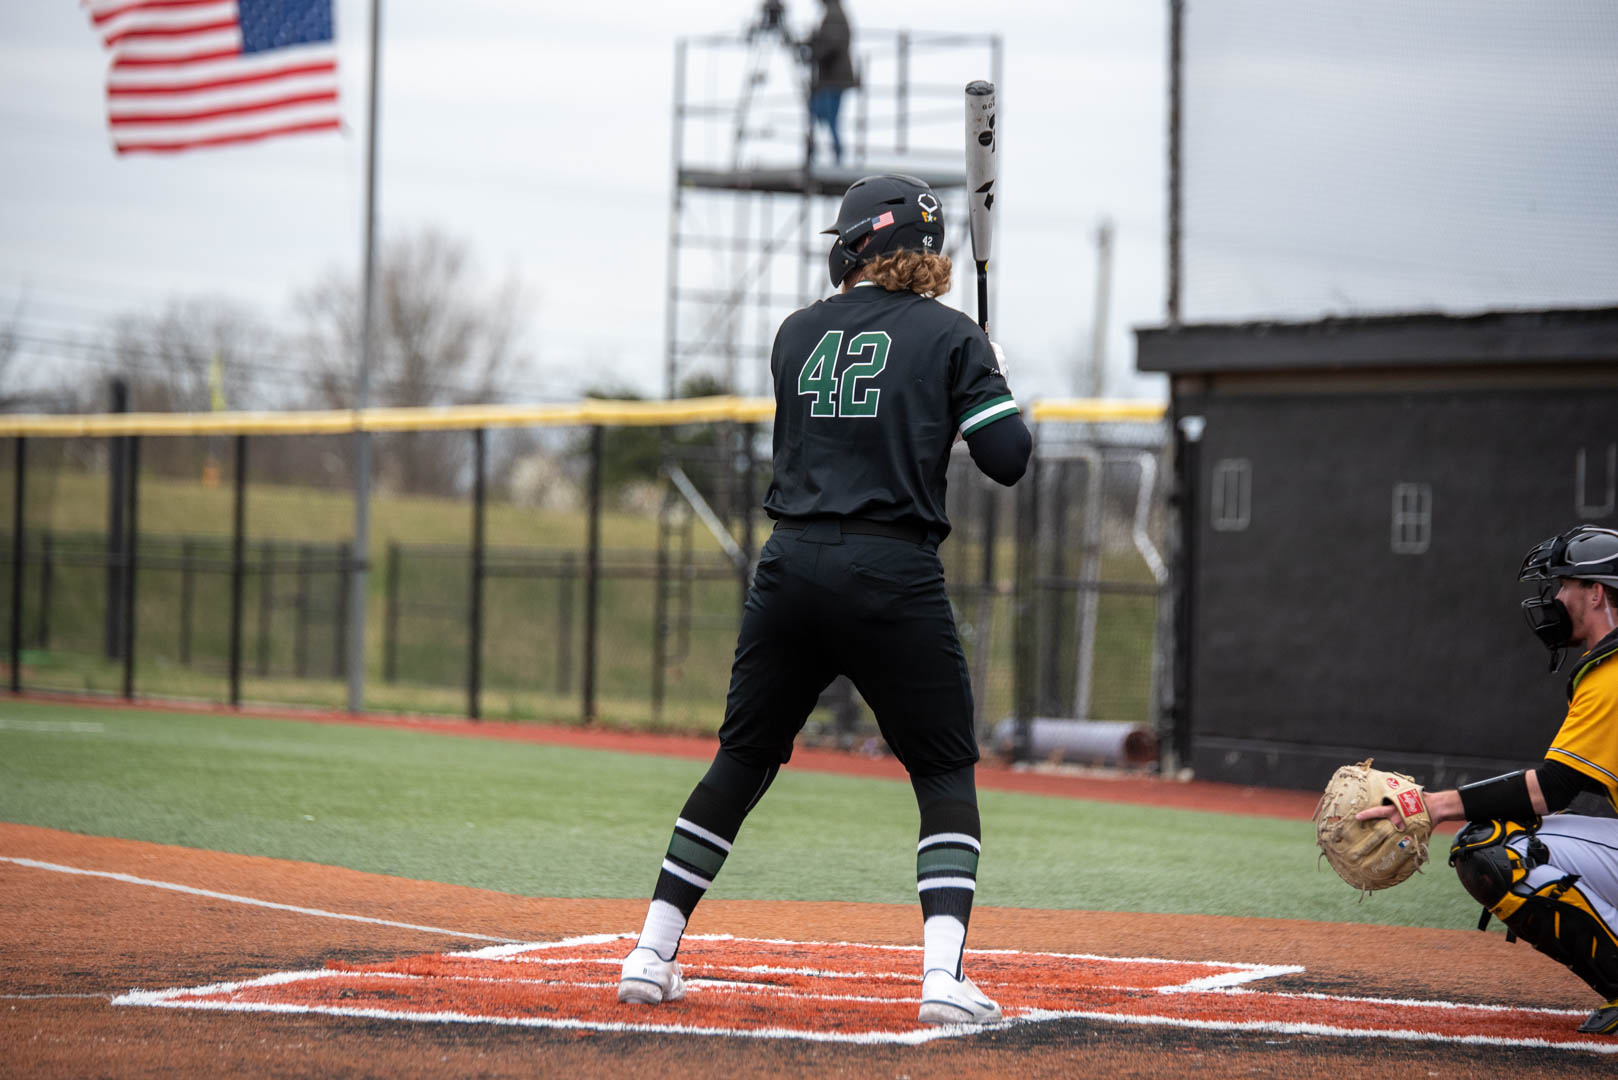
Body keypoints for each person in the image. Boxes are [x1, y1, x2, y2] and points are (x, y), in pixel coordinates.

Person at [617, 173, 1031, 1025]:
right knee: (944, 771)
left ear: (860, 245)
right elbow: (1008, 458)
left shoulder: (796, 331)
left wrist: (964, 363)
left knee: (741, 759)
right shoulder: (955, 339)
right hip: (892, 575)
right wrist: (987, 373)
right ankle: (942, 979)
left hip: (794, 567)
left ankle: (649, 953)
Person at [1357, 524, 1618, 1036]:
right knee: (1523, 827)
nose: (1554, 597)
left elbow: (1551, 787)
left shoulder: (1611, 674)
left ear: (1596, 592)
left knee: (1492, 848)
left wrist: (1430, 805)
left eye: (1563, 583)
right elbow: (1568, 787)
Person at [804, 0, 858, 165]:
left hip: (833, 79)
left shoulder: (834, 14)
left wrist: (815, 51)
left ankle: (836, 155)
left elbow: (832, 44)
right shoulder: (834, 13)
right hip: (831, 78)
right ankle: (826, 152)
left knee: (828, 116)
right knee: (820, 113)